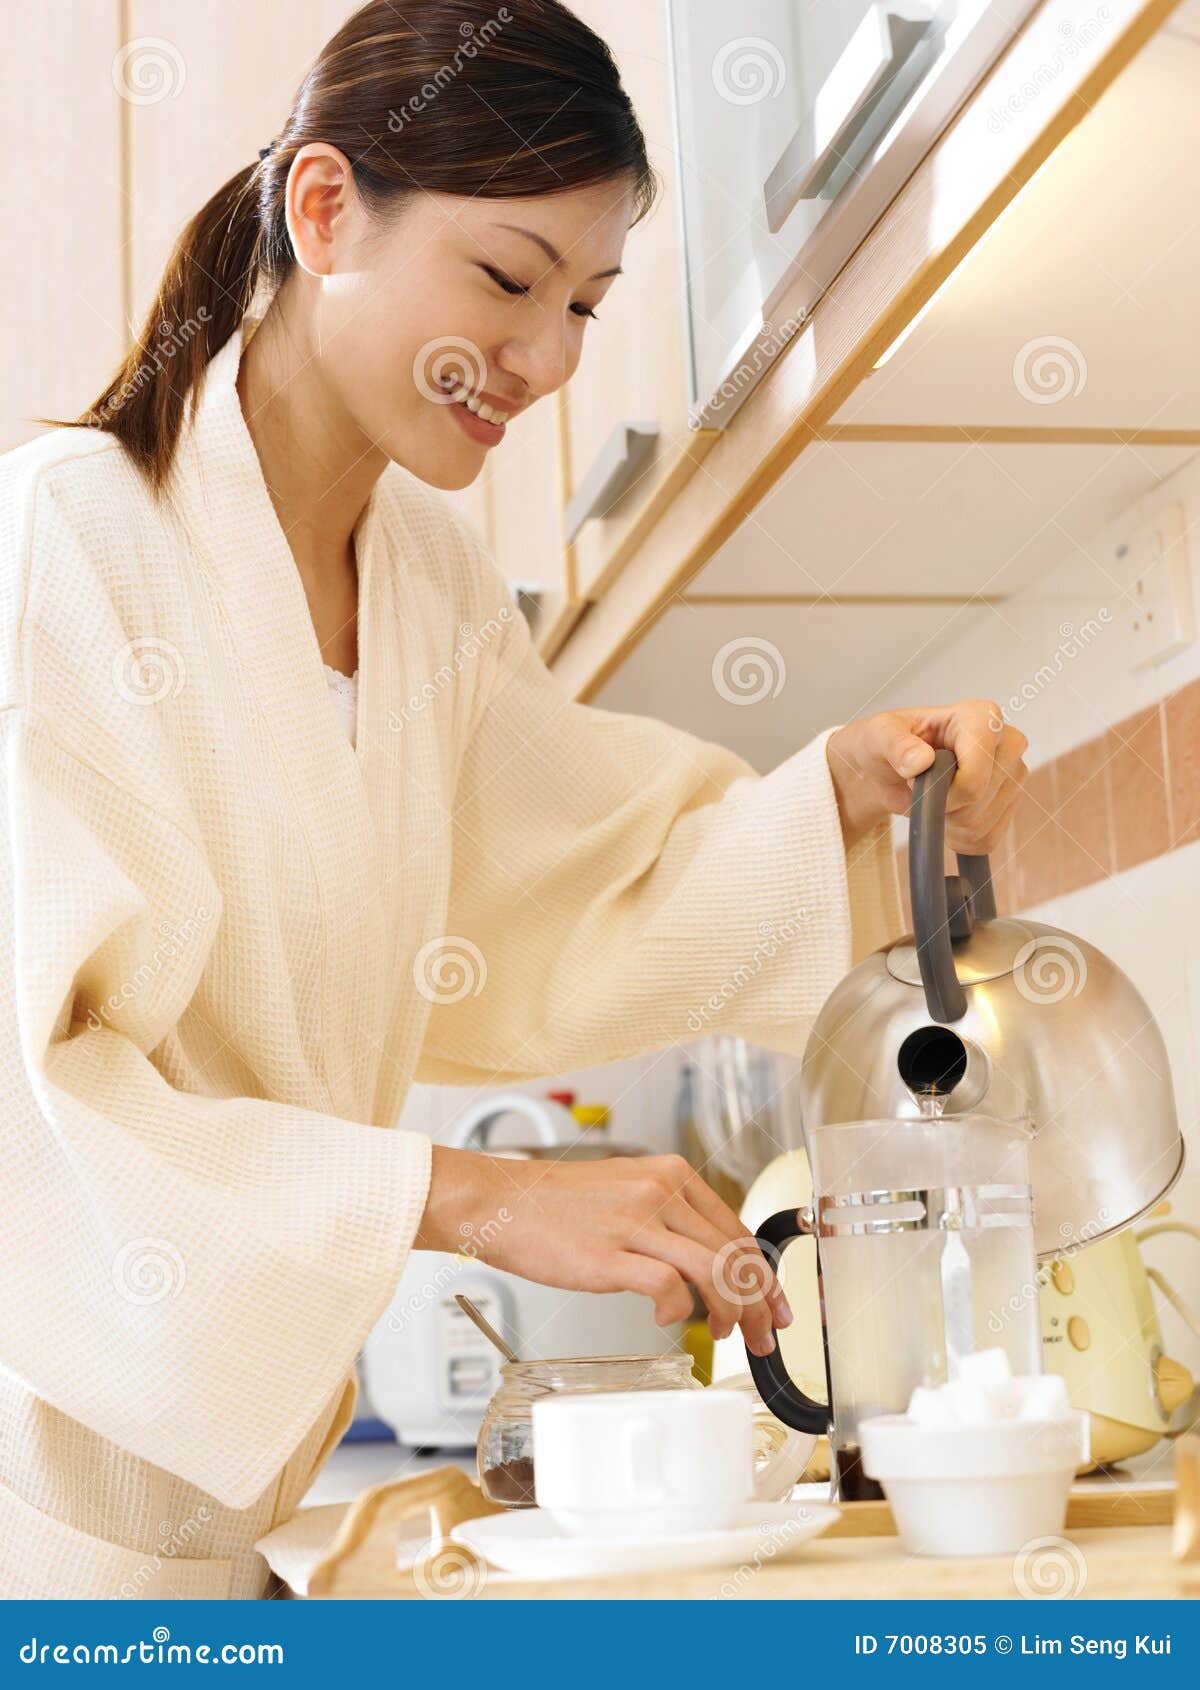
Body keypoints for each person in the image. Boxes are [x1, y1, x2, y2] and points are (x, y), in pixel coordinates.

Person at [0, 0, 1026, 1597]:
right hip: (44, 1533)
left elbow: (576, 887)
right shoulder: (63, 546)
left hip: (227, 1531)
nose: (546, 360)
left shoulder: (432, 589)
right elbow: (29, 1111)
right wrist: (472, 1196)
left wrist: (840, 794)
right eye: (505, 279)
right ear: (324, 209)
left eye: (587, 307)